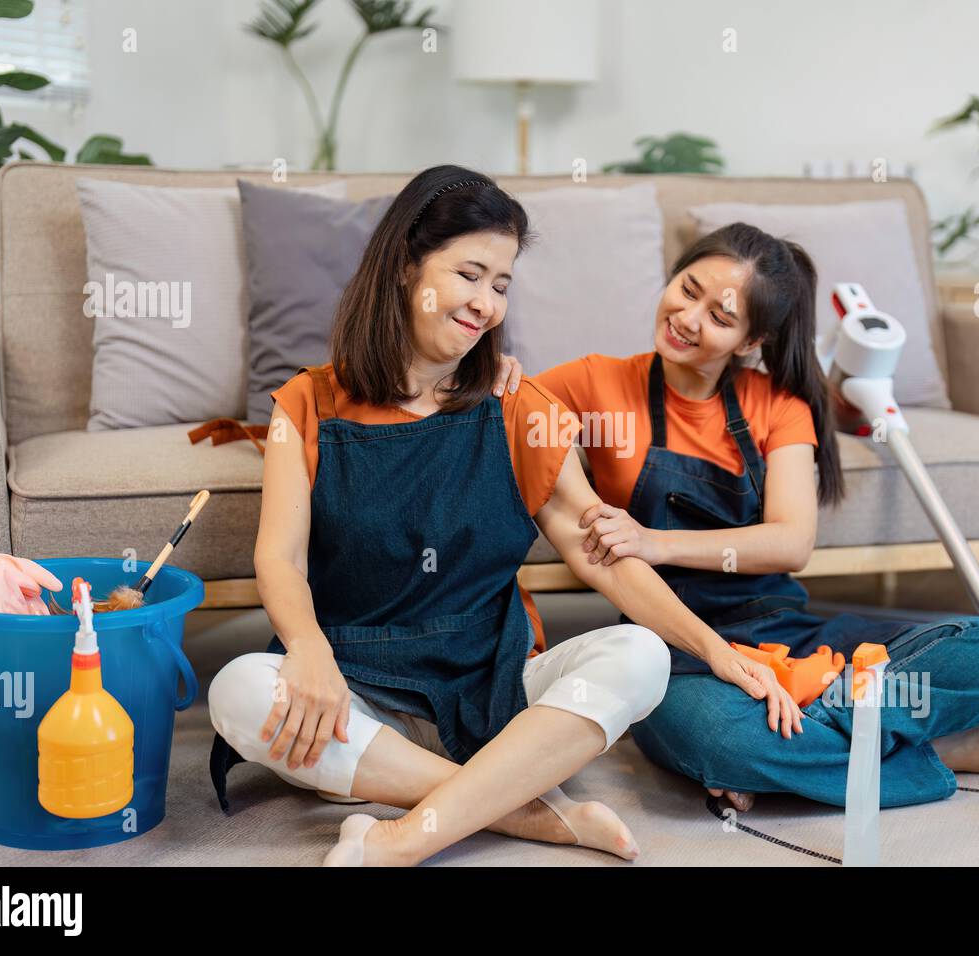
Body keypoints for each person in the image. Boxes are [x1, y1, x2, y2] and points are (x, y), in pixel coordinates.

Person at [206, 167, 799, 866]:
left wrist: (713, 649)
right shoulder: (304, 404)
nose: (486, 304)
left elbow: (596, 549)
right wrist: (305, 649)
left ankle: (401, 833)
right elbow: (279, 558)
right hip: (351, 685)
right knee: (238, 690)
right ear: (404, 266)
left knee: (639, 655)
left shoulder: (521, 407)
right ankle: (521, 811)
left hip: (490, 688)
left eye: (502, 284)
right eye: (470, 274)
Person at [534, 221, 979, 812]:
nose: (689, 317)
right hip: (673, 649)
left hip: (791, 634)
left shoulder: (779, 406)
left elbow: (790, 543)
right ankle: (918, 747)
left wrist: (655, 543)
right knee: (719, 739)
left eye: (721, 317)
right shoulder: (596, 382)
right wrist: (494, 372)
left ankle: (805, 735)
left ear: (751, 341)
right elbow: (511, 414)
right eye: (687, 289)